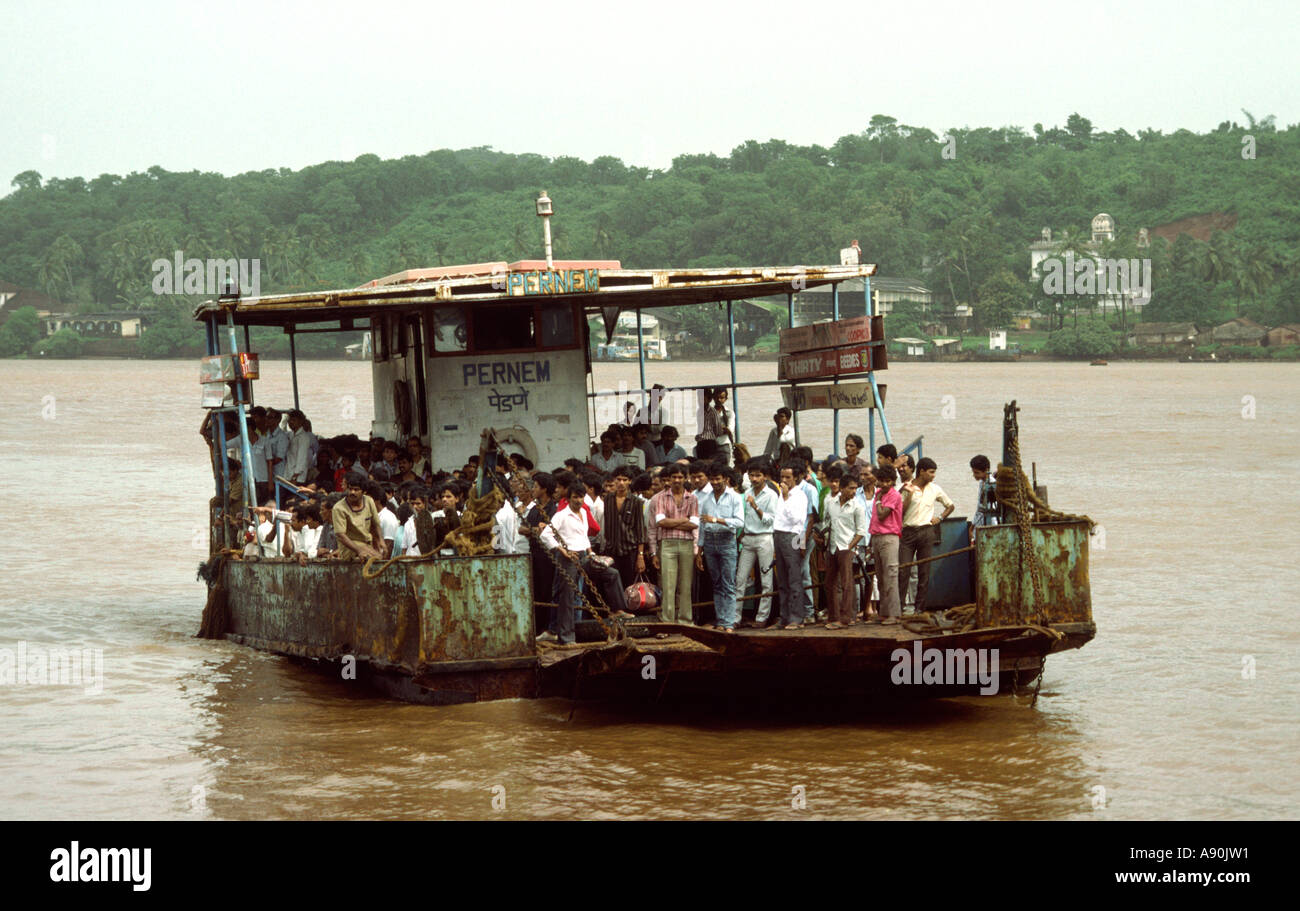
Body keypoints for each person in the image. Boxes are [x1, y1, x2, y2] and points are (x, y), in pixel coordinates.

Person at [538, 479, 633, 646]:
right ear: (568, 499)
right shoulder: (561, 515)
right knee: (567, 598)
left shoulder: (584, 512)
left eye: (581, 497)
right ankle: (566, 638)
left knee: (611, 574)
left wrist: (591, 554)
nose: (578, 500)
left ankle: (619, 609)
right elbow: (545, 535)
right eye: (575, 497)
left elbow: (584, 537)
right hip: (567, 559)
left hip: (584, 556)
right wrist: (563, 550)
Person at [899, 456, 955, 614]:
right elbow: (900, 512)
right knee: (904, 570)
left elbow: (950, 505)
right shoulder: (906, 487)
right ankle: (899, 606)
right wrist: (908, 495)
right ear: (921, 471)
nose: (933, 476)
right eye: (931, 472)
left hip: (926, 531)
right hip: (908, 532)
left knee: (924, 572)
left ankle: (919, 608)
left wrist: (940, 518)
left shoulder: (935, 488)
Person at [648, 463, 699, 624]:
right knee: (668, 586)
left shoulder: (692, 498)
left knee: (685, 585)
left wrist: (672, 522)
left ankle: (685, 621)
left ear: (685, 478)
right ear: (669, 479)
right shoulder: (660, 497)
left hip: (687, 544)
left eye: (680, 477)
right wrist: (684, 520)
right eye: (674, 477)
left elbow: (695, 524)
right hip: (667, 544)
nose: (677, 480)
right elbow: (660, 522)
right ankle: (668, 622)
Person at [696, 463, 744, 632]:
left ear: (725, 479)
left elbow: (739, 522)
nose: (715, 482)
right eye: (712, 479)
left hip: (727, 541)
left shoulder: (734, 497)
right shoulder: (706, 498)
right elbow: (702, 525)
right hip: (709, 541)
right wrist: (699, 551)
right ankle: (721, 620)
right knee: (716, 584)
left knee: (728, 584)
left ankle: (729, 623)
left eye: (718, 478)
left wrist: (716, 520)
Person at [822, 473, 867, 629]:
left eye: (855, 488)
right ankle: (833, 616)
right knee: (830, 582)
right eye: (851, 488)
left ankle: (846, 618)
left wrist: (849, 546)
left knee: (847, 583)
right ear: (842, 488)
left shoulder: (857, 507)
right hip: (832, 546)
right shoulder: (831, 503)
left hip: (846, 548)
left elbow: (861, 531)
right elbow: (826, 522)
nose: (854, 491)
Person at [737, 459, 778, 628]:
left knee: (766, 580)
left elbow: (771, 520)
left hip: (764, 538)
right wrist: (741, 534)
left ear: (765, 477)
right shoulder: (748, 491)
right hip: (748, 538)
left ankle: (762, 618)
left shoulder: (771, 495)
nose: (754, 479)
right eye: (751, 475)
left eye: (757, 475)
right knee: (740, 579)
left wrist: (756, 507)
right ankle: (735, 617)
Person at [773, 463, 809, 630]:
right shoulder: (781, 495)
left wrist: (786, 498)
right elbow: (778, 517)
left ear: (796, 477)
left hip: (793, 536)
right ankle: (785, 616)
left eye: (788, 477)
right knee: (782, 579)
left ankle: (796, 617)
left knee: (794, 577)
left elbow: (796, 519)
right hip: (779, 535)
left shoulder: (799, 496)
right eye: (782, 477)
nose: (784, 480)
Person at [601, 467, 647, 588]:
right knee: (612, 585)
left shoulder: (636, 502)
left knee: (630, 586)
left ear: (630, 481)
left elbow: (640, 530)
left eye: (624, 479)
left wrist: (640, 555)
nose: (621, 483)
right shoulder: (607, 499)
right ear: (614, 480)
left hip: (630, 551)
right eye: (618, 479)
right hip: (611, 550)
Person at [869, 464, 903, 624]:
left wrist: (878, 501)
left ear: (893, 481)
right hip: (876, 536)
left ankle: (894, 614)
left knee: (891, 575)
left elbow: (882, 515)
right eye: (881, 481)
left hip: (890, 537)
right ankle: (884, 611)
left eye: (887, 481)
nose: (884, 484)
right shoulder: (878, 494)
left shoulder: (894, 496)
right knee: (881, 577)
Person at [333, 472, 385, 561]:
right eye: (350, 489)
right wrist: (359, 550)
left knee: (380, 557)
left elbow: (376, 523)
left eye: (356, 489)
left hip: (367, 544)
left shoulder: (369, 501)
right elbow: (341, 535)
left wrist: (381, 540)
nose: (352, 492)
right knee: (375, 558)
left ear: (363, 491)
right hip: (350, 547)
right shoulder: (339, 508)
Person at [970, 454, 999, 539]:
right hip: (981, 523)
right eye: (973, 472)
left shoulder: (992, 485)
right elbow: (980, 506)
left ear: (986, 470)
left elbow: (992, 507)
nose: (974, 475)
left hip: (991, 525)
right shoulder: (981, 483)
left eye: (977, 473)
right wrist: (972, 526)